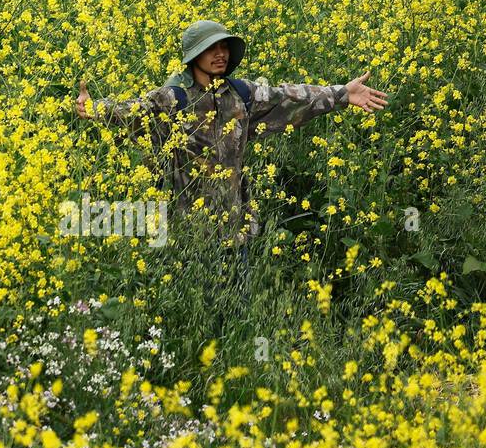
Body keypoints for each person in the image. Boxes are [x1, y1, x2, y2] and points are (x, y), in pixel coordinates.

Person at [74, 20, 387, 289]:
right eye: (212, 49)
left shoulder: (241, 94)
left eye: (224, 47)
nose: (220, 54)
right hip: (187, 231)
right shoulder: (173, 97)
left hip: (236, 227)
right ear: (194, 56)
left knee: (237, 305)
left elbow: (290, 97)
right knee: (194, 308)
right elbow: (136, 111)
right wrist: (95, 108)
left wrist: (343, 93)